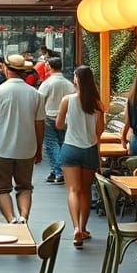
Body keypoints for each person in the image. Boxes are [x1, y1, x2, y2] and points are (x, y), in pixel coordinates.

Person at [0, 54, 44, 223]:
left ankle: (11, 219)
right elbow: (39, 125)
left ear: (7, 70)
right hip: (27, 149)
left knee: (2, 189)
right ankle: (23, 217)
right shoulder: (35, 94)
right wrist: (39, 149)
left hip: (3, 148)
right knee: (24, 187)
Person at [56, 65, 104, 247]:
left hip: (70, 148)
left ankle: (75, 227)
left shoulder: (67, 100)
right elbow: (99, 131)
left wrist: (72, 124)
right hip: (90, 149)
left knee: (73, 190)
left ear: (76, 79)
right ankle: (83, 228)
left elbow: (59, 125)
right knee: (85, 191)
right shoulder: (99, 104)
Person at [37, 56, 75, 184]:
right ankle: (55, 171)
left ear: (49, 67)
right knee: (61, 143)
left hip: (49, 117)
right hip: (65, 118)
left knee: (51, 145)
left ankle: (59, 172)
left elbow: (39, 100)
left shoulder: (47, 83)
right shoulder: (69, 84)